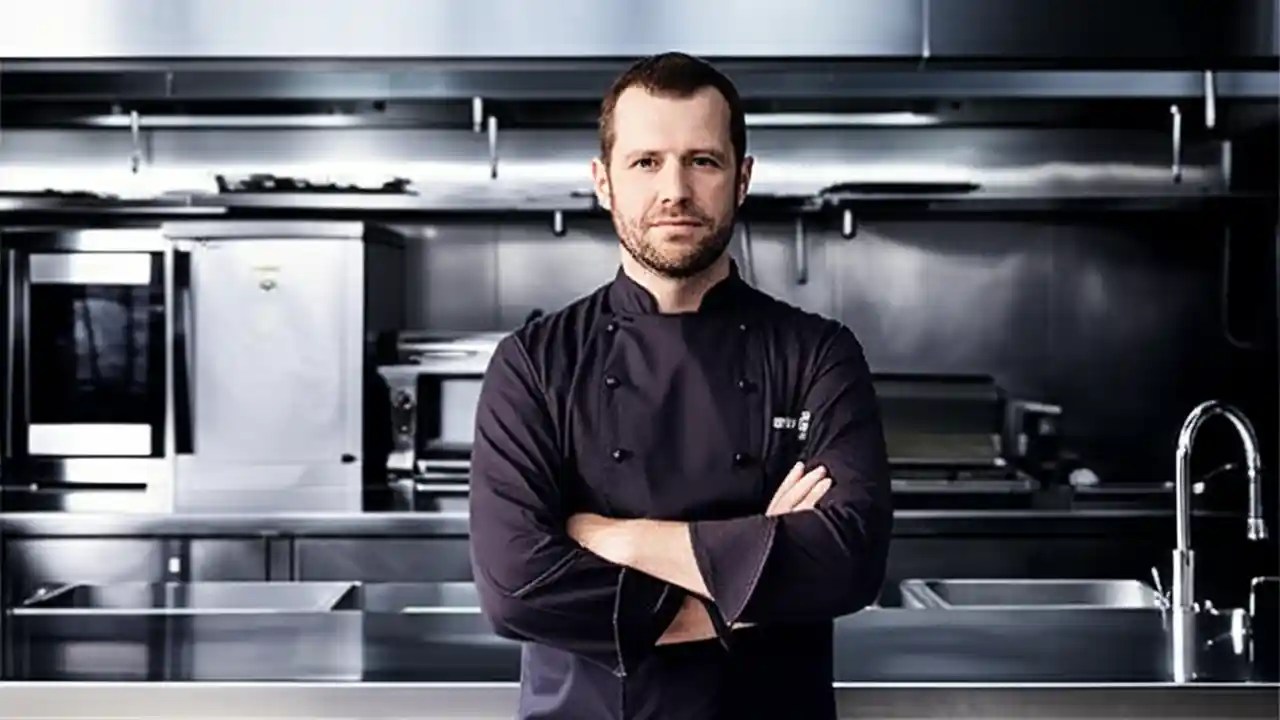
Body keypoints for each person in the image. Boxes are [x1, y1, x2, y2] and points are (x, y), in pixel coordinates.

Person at [468, 51, 893, 720]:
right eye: (646, 162)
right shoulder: (534, 362)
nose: (676, 190)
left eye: (703, 160)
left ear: (741, 178)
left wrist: (616, 538)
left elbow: (847, 562)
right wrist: (750, 572)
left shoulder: (818, 354)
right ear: (603, 182)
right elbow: (515, 589)